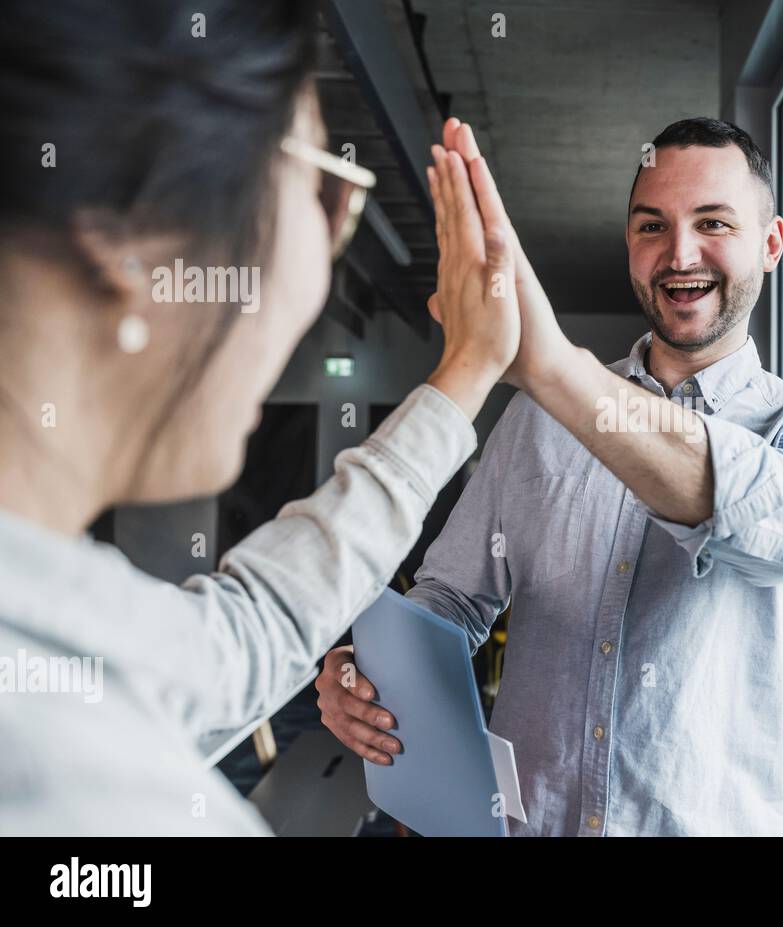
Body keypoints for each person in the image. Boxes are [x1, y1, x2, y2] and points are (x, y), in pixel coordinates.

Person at [0, 0, 524, 835]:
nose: (319, 270)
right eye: (322, 191)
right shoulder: (92, 796)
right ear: (138, 231)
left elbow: (239, 637)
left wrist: (464, 375)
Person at [316, 116, 783, 836]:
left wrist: (550, 366)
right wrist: (366, 675)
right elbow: (452, 602)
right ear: (630, 246)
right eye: (652, 226)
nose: (680, 254)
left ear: (771, 244)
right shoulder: (537, 417)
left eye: (713, 222)